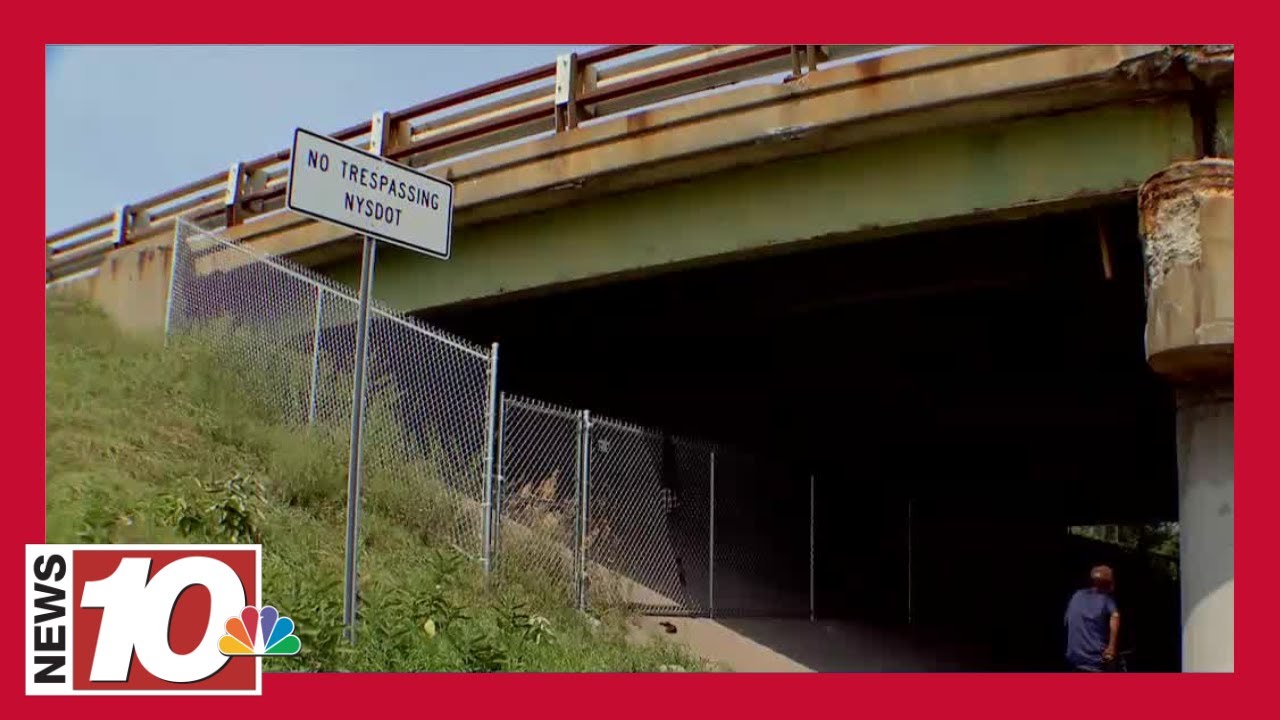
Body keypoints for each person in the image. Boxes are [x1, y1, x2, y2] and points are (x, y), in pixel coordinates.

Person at [1064, 565, 1121, 672]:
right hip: (1095, 662)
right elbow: (1115, 616)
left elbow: (1067, 623)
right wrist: (1112, 647)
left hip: (1073, 659)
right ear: (1109, 583)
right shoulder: (1107, 600)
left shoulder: (1076, 595)